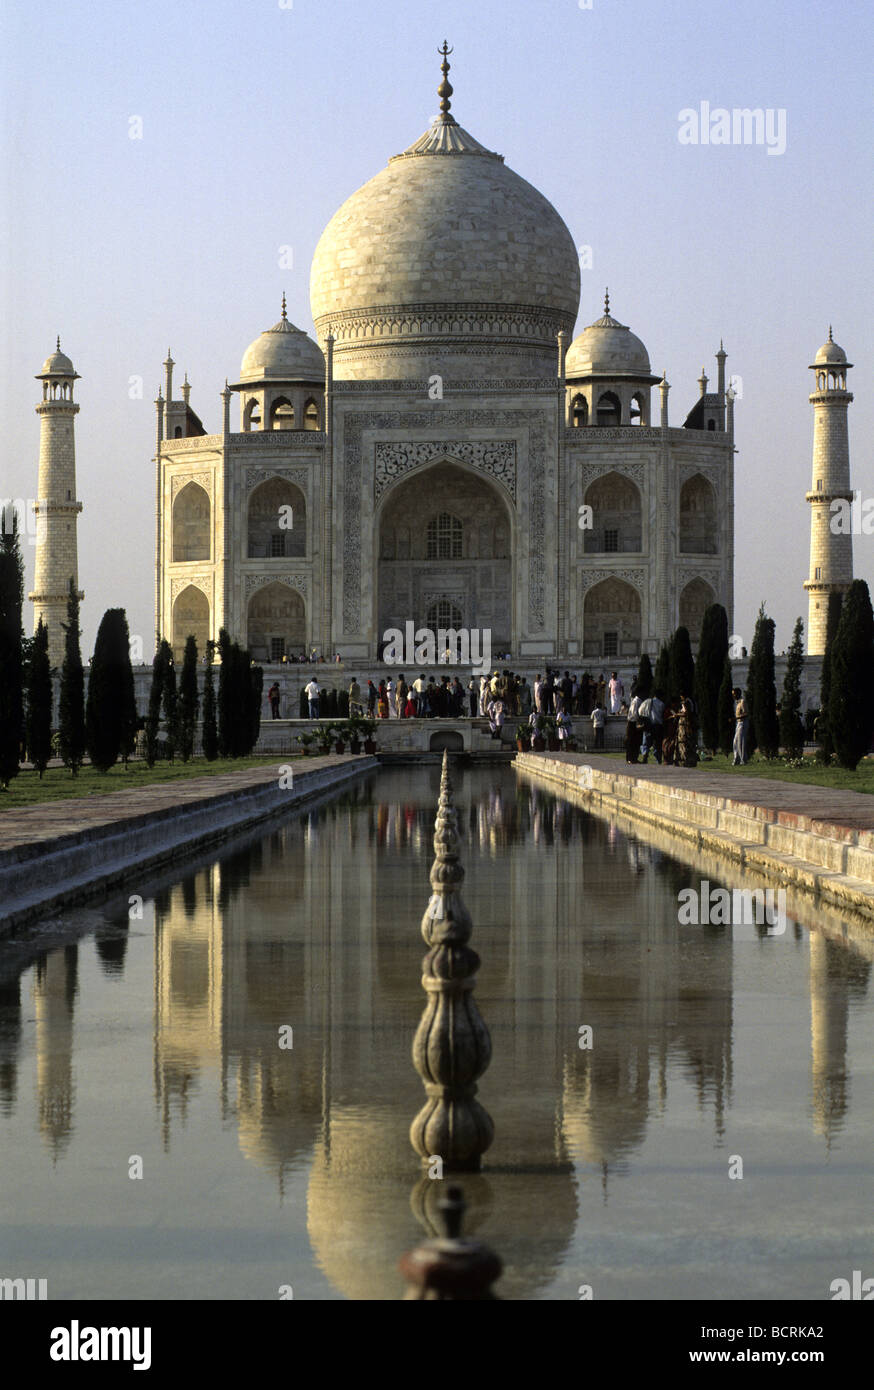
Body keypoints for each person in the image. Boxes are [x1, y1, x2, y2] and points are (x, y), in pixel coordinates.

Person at [677, 691, 698, 767]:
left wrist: (677, 714)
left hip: (686, 724)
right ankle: (692, 761)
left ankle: (685, 760)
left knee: (685, 742)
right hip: (692, 724)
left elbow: (686, 713)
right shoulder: (693, 701)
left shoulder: (686, 702)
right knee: (692, 743)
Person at [732, 687, 750, 765]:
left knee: (741, 742)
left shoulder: (742, 702)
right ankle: (737, 759)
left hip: (743, 723)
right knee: (735, 742)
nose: (733, 696)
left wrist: (736, 718)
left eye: (734, 694)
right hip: (739, 723)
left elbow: (746, 714)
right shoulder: (738, 703)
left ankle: (743, 760)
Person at [625, 686, 643, 764]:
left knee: (636, 741)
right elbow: (635, 713)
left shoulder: (638, 700)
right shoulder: (636, 701)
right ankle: (630, 758)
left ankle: (634, 758)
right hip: (633, 722)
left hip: (634, 722)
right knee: (631, 741)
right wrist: (639, 722)